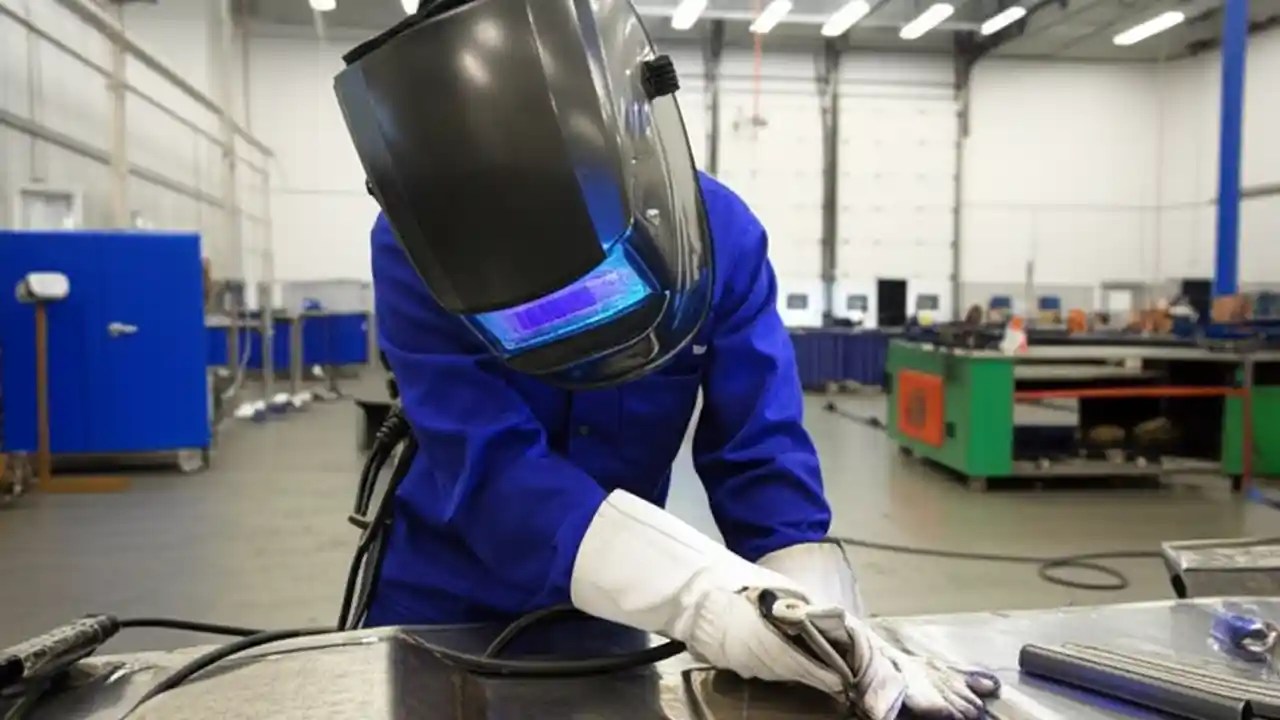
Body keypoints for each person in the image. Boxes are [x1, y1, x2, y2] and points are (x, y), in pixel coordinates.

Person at [335, 1, 992, 717]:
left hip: (614, 606)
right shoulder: (419, 247)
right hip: (442, 600)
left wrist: (826, 626)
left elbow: (761, 454)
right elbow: (489, 469)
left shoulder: (720, 235)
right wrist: (699, 597)